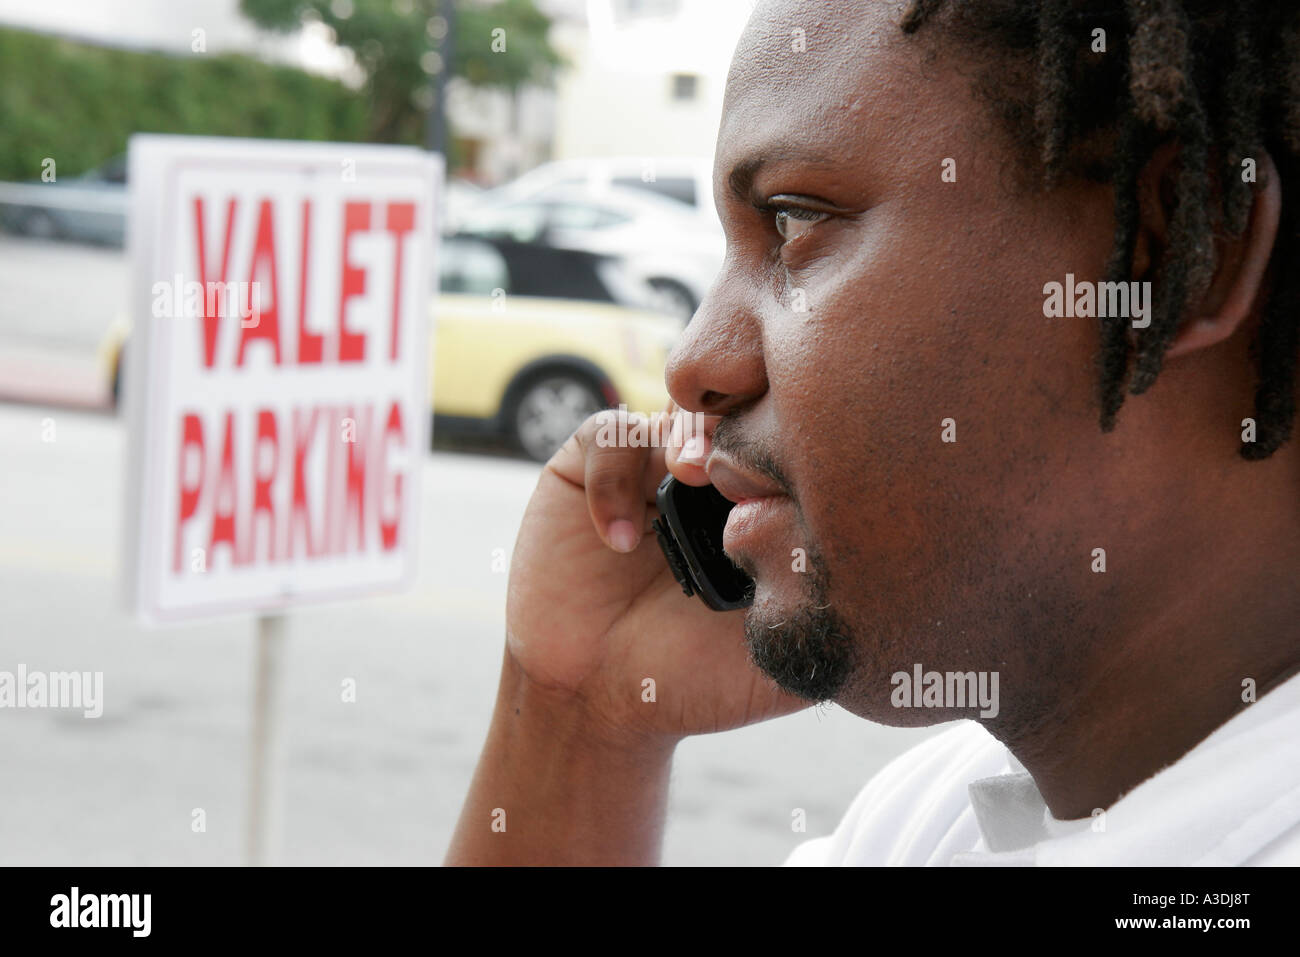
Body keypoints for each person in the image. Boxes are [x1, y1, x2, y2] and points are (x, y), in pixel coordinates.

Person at [446, 0, 1300, 865]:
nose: (694, 362)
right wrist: (581, 710)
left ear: (1176, 256)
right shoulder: (924, 823)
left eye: (794, 220)